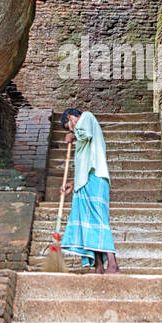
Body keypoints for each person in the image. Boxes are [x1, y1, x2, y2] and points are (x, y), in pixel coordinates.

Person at [58, 107, 120, 274]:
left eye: (70, 123)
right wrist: (73, 182)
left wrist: (73, 134)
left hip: (96, 177)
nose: (71, 127)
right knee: (87, 223)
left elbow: (85, 134)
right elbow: (84, 163)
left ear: (73, 116)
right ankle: (98, 265)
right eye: (68, 127)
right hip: (83, 182)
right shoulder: (80, 139)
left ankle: (113, 264)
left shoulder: (87, 117)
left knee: (99, 220)